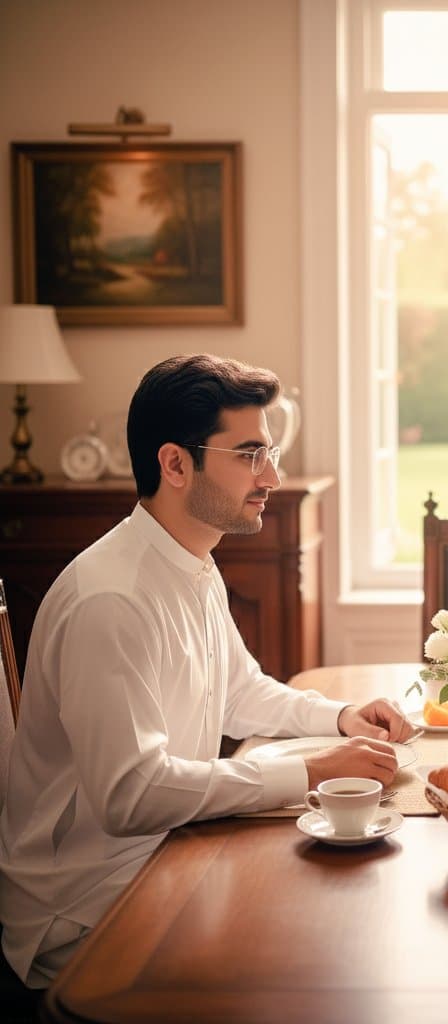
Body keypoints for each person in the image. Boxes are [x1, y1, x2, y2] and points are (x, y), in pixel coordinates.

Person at [0, 354, 415, 988]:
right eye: (249, 454)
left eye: (267, 453)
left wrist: (338, 717)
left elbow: (238, 692)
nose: (272, 475)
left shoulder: (189, 556)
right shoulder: (110, 599)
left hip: (167, 851)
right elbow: (130, 795)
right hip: (86, 909)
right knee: (320, 958)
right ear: (174, 464)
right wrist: (306, 770)